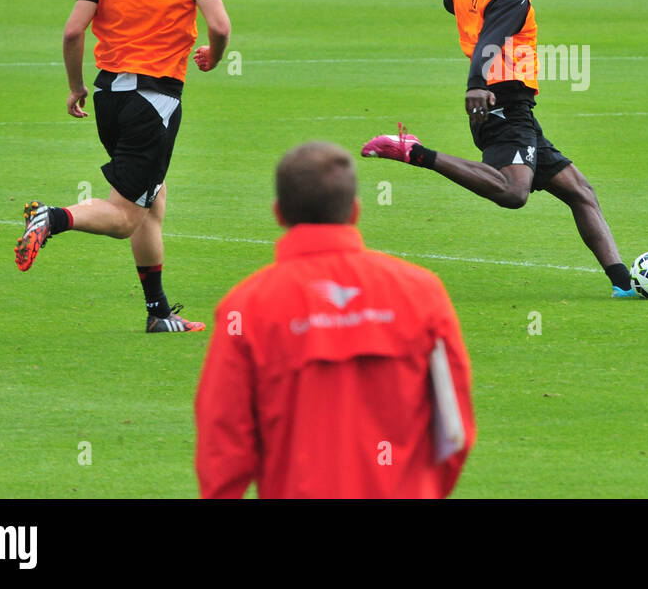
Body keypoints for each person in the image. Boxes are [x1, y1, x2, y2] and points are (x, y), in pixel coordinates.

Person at [361, 0, 638, 298]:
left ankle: (624, 284)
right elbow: (490, 42)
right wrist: (477, 84)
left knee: (580, 191)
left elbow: (451, 2)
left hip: (515, 108)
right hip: (502, 102)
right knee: (513, 192)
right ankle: (414, 152)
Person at [195, 142, 475, 499]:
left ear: (278, 213)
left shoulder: (247, 306)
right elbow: (455, 429)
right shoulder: (421, 292)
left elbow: (223, 446)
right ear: (355, 211)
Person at [14, 0, 232, 334]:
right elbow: (221, 25)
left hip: (108, 97)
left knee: (153, 198)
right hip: (153, 101)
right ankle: (51, 218)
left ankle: (158, 313)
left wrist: (75, 87)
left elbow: (73, 32)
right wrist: (215, 54)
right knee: (123, 218)